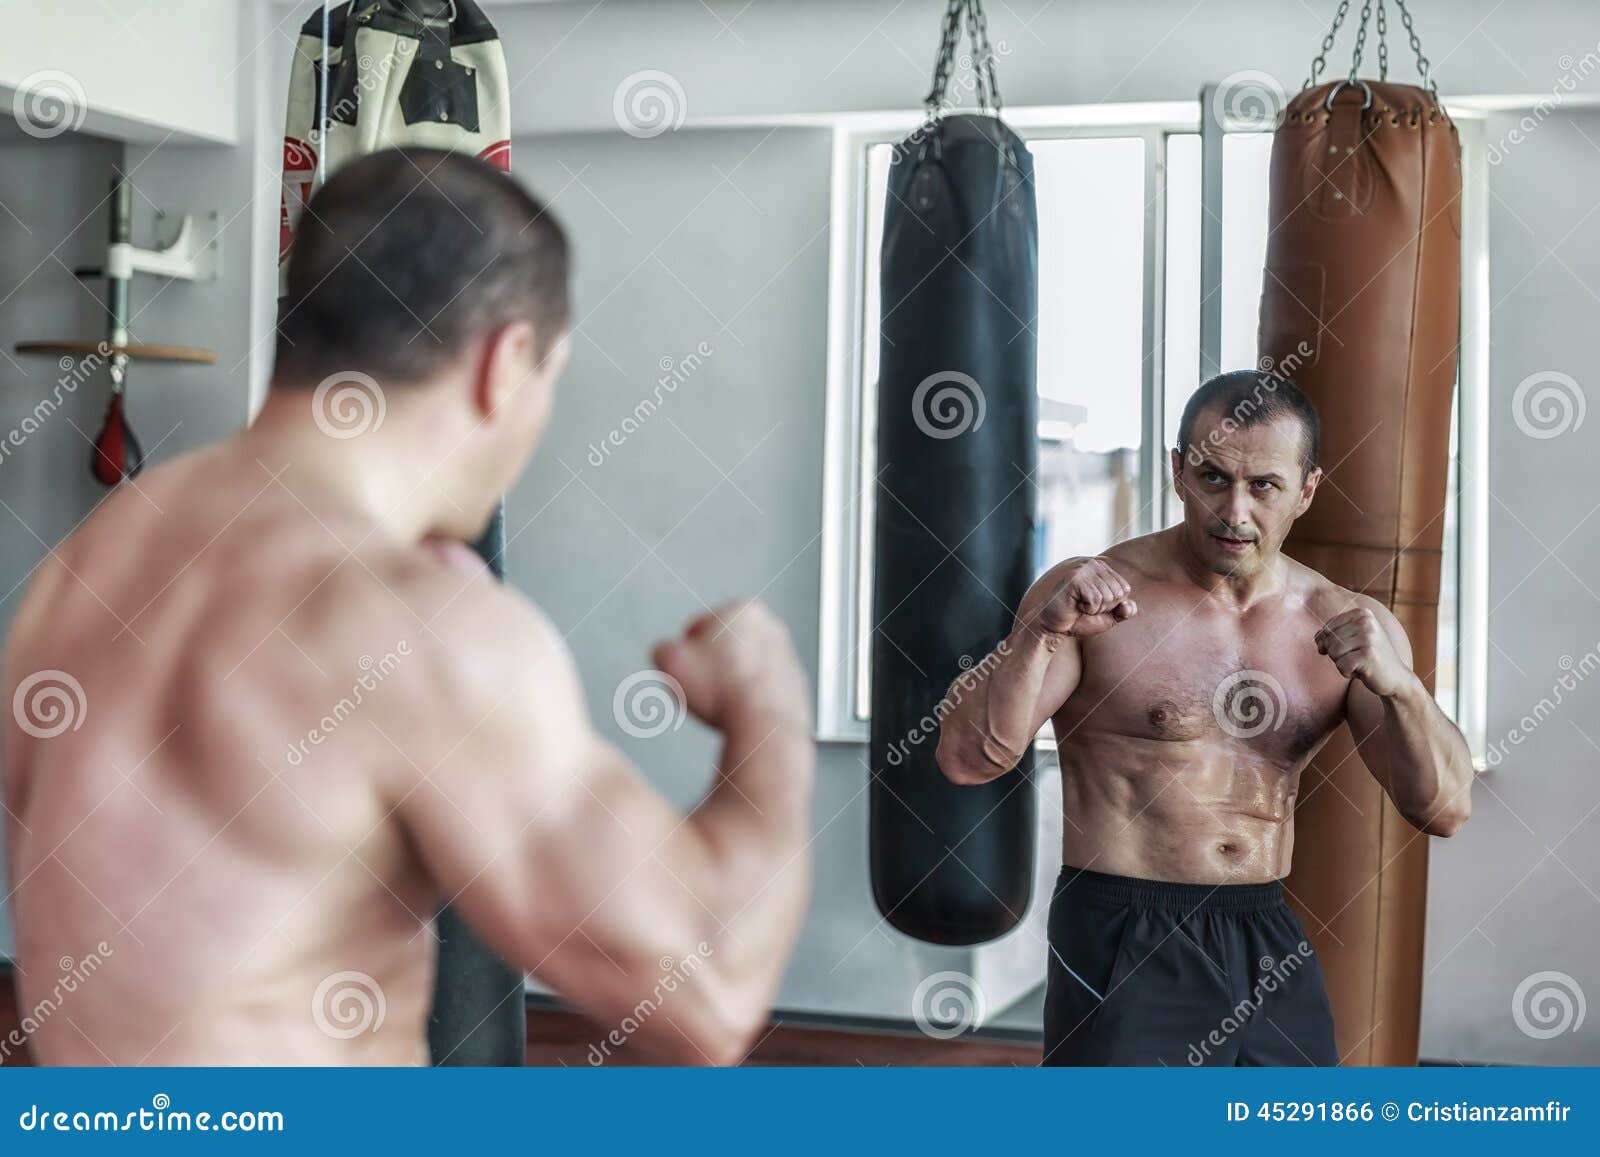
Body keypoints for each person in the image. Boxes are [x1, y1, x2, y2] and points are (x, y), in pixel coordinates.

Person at [2, 149, 815, 1066]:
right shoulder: (410, 629)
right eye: (550, 375)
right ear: (507, 362)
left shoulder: (89, 565)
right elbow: (707, 988)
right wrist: (770, 703)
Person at [935, 370, 1473, 1066]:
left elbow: (1445, 808)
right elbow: (968, 758)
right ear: (1177, 471)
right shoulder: (1098, 597)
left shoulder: (1340, 620)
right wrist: (1039, 634)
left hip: (1264, 932)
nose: (1235, 511)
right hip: (1127, 929)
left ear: (1307, 490)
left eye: (1265, 486)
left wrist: (1403, 691)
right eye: (1213, 478)